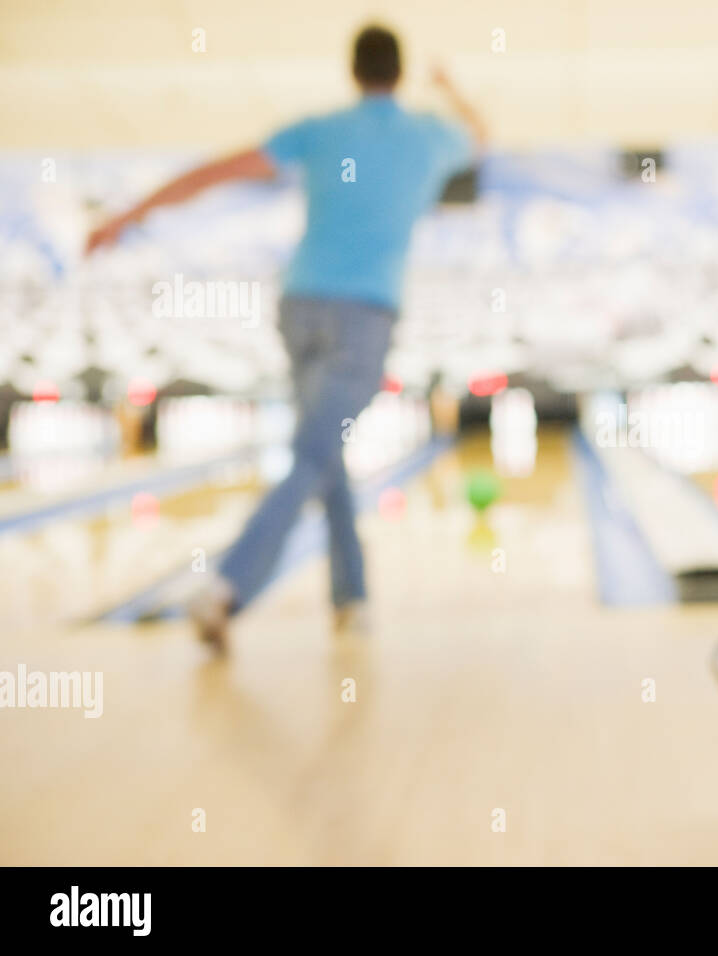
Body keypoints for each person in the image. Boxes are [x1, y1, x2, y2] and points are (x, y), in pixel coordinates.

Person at [86, 25, 486, 651]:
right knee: (313, 456)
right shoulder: (428, 136)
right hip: (364, 317)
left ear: (353, 73)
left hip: (300, 308)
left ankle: (351, 598)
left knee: (324, 454)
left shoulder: (320, 130)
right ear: (399, 74)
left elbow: (219, 171)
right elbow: (481, 136)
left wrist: (130, 213)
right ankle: (224, 586)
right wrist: (451, 88)